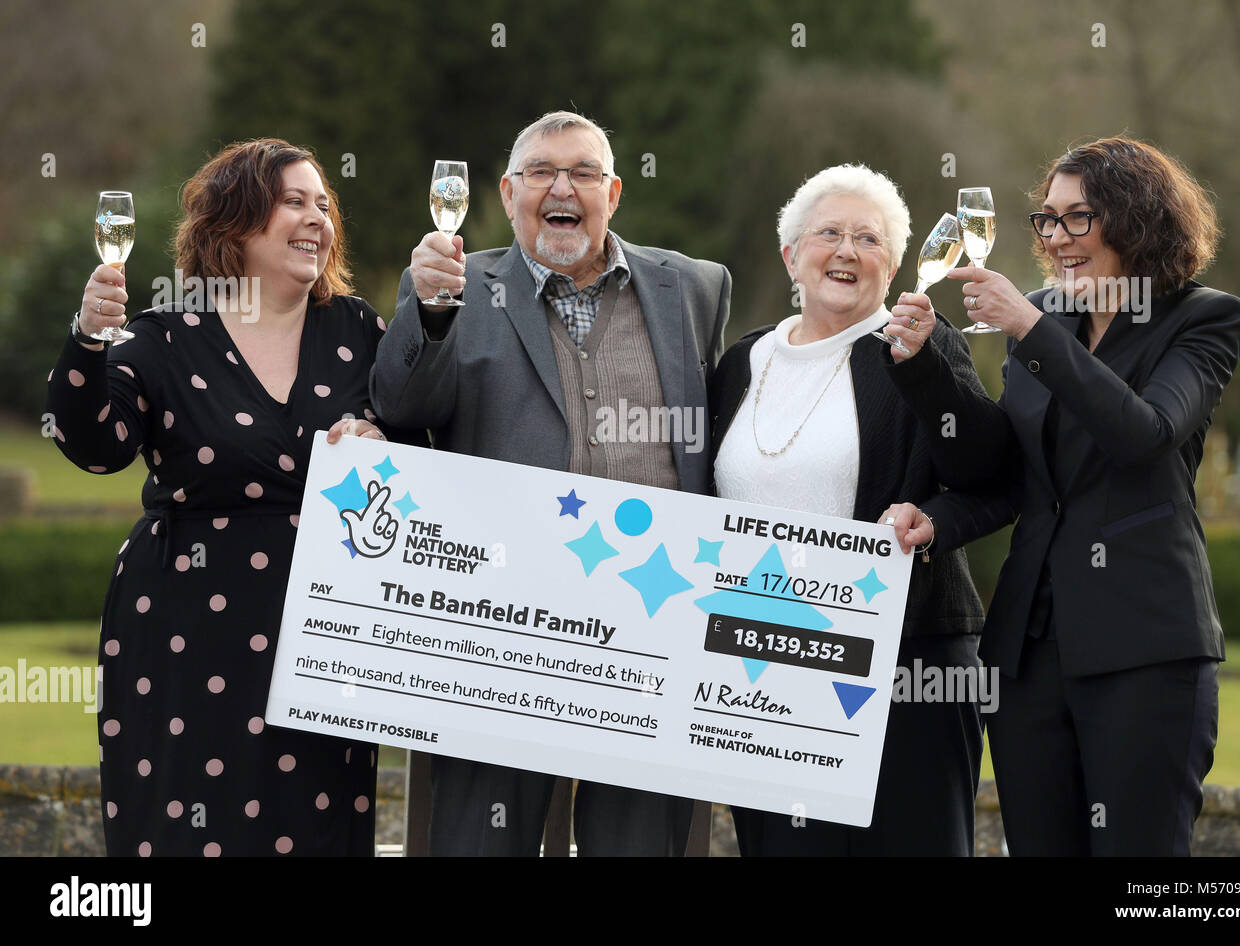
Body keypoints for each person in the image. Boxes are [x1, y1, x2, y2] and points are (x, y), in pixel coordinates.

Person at [370, 110, 731, 856]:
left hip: (651, 631)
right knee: (480, 843)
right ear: (507, 193)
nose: (562, 188)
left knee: (640, 846)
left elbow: (722, 445)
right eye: (541, 172)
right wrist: (430, 316)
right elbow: (402, 409)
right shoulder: (454, 285)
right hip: (500, 632)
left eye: (583, 173)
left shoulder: (694, 287)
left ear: (614, 193)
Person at [886, 136, 1240, 855]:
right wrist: (926, 372)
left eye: (1076, 218)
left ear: (1136, 220)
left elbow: (1144, 432)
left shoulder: (1201, 318)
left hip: (1147, 650)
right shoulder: (1048, 316)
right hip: (1025, 657)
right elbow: (1013, 472)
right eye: (1046, 220)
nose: (1054, 238)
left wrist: (1028, 326)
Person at [47, 138, 408, 856]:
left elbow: (426, 444)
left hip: (324, 634)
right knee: (184, 821)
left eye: (324, 205)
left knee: (313, 825)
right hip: (184, 629)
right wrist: (88, 338)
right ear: (236, 222)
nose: (317, 219)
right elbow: (94, 444)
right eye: (294, 202)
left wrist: (382, 444)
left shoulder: (360, 332)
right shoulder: (165, 336)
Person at [710, 164, 1004, 856]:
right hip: (760, 667)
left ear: (897, 262)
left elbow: (988, 473)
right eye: (829, 234)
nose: (846, 251)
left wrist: (925, 365)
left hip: (905, 667)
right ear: (791, 256)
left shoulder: (919, 348)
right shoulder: (741, 361)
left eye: (868, 239)